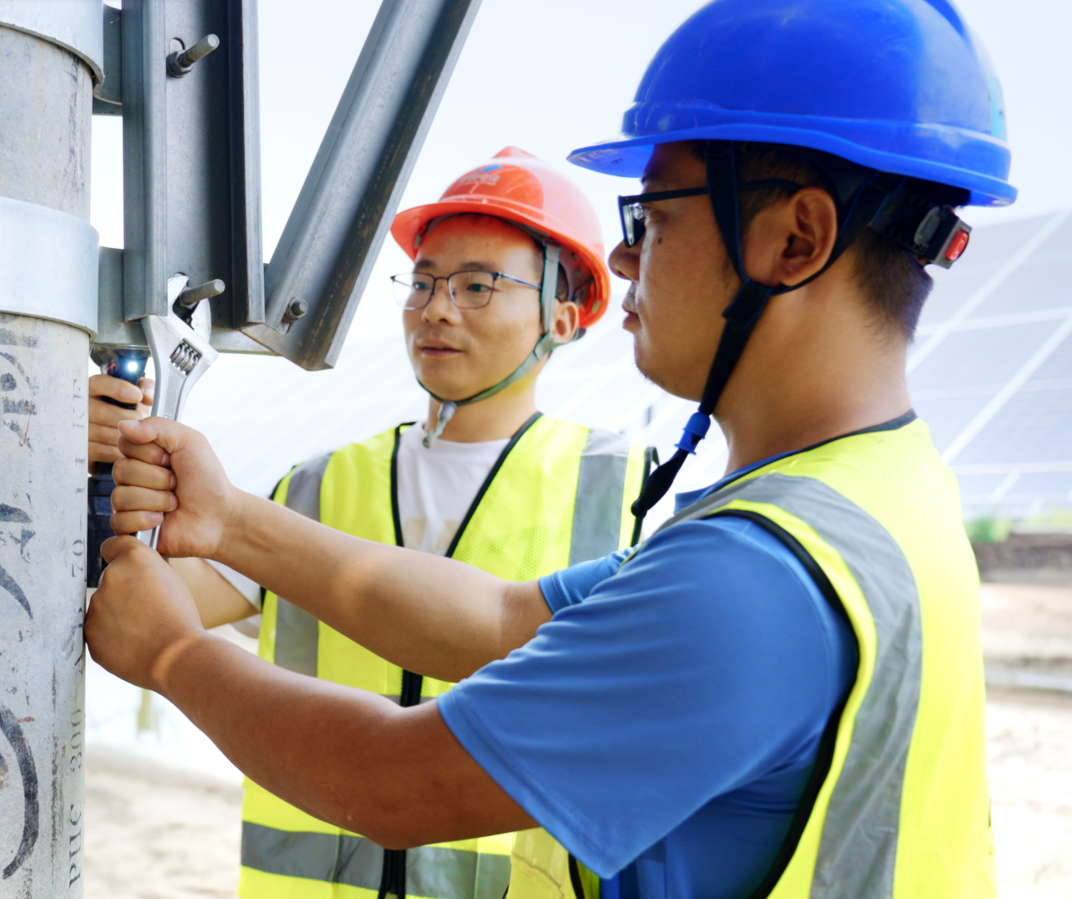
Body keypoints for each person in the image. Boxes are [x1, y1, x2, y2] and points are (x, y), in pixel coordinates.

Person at [85, 1, 1009, 897]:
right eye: (429, 280)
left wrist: (172, 656)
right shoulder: (877, 496)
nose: (623, 259)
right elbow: (496, 621)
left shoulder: (755, 575)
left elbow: (394, 781)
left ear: (796, 239)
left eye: (654, 218)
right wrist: (233, 518)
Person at [88, 148, 652, 899]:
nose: (438, 308)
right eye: (421, 283)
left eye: (477, 285)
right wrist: (88, 465)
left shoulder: (634, 495)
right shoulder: (318, 483)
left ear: (566, 311)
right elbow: (139, 597)